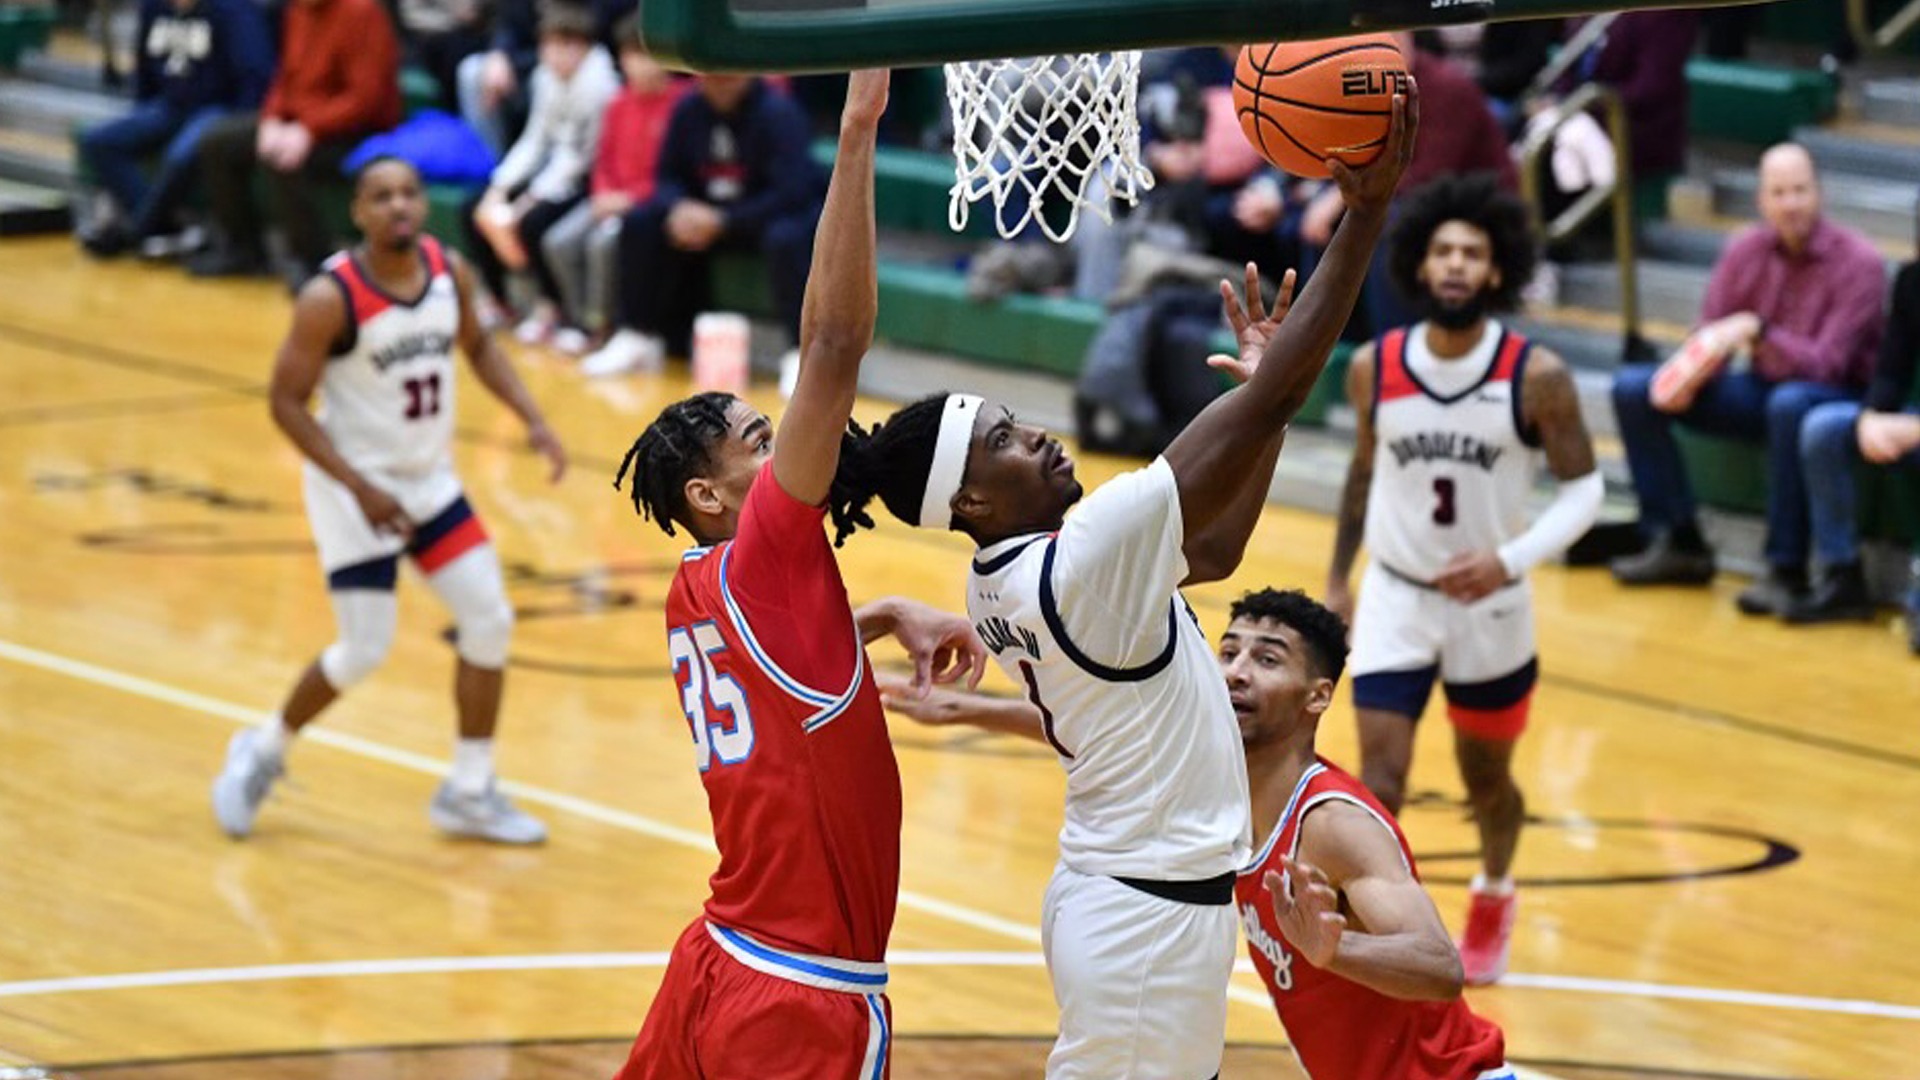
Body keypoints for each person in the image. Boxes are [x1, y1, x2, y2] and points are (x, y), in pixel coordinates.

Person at [816, 85, 1417, 1080]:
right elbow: (1281, 398)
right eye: (1005, 442)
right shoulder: (1086, 549)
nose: (1038, 436)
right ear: (969, 502)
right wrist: (1366, 213)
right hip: (1144, 919)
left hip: (1131, 903)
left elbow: (1213, 553)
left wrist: (1258, 412)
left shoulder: (1003, 577)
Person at [606, 72, 989, 1080]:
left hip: (716, 958)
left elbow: (779, 666)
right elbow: (832, 341)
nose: (783, 457)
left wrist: (874, 614)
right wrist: (858, 129)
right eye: (756, 446)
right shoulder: (772, 547)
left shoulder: (699, 585)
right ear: (711, 498)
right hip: (802, 991)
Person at [882, 588, 1515, 1080]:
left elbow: (1439, 965)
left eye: (1266, 660)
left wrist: (1335, 953)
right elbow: (1106, 728)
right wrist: (961, 708)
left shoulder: (1333, 825)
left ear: (1317, 697)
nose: (1236, 670)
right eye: (1229, 651)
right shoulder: (1217, 776)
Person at [210, 157, 568, 844]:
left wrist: (535, 419)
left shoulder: (447, 271)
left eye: (408, 193)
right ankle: (264, 749)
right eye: (382, 197)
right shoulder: (329, 298)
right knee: (363, 649)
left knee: (488, 619)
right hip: (357, 491)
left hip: (429, 484)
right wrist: (361, 487)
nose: (400, 206)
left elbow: (481, 348)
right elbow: (286, 402)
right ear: (358, 212)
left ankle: (468, 791)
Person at [1324, 174, 1602, 985]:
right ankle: (1391, 934)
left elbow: (1585, 489)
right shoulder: (1377, 366)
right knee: (1381, 777)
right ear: (1420, 263)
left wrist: (1510, 560)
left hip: (1491, 606)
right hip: (1397, 596)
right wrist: (1340, 575)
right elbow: (1362, 473)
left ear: (1495, 270)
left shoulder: (1535, 374)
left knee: (1488, 780)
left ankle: (1495, 887)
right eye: (1442, 251)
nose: (1454, 265)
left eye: (1471, 254)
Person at [1610, 144, 1886, 614]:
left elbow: (1829, 363)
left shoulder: (1860, 262)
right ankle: (1679, 538)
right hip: (1763, 388)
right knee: (1636, 389)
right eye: (1778, 192)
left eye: (1800, 190)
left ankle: (1786, 569)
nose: (1790, 203)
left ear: (1819, 194)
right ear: (1762, 200)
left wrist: (1760, 334)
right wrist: (1689, 377)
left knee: (1791, 403)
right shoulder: (1744, 249)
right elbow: (1710, 332)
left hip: (1834, 394)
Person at [582, 73, 820, 377]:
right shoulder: (688, 108)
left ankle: (799, 355)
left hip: (760, 217)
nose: (721, 84)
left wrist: (725, 220)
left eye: (728, 78)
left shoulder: (780, 112)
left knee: (787, 237)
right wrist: (680, 207)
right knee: (640, 222)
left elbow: (792, 193)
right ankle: (636, 334)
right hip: (704, 216)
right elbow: (666, 177)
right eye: (713, 78)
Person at [189, 0, 403, 284]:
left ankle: (315, 261)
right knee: (217, 142)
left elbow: (366, 99)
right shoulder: (297, 10)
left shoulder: (362, 12)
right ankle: (244, 250)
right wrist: (271, 119)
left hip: (358, 130)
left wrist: (309, 130)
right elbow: (286, 76)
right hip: (300, 119)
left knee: (285, 157)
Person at [464, 1, 621, 349]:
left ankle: (552, 308)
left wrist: (527, 201)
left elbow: (580, 159)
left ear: (583, 46)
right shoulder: (544, 76)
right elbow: (534, 139)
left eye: (564, 45)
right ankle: (498, 301)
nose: (554, 55)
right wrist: (500, 187)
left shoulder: (602, 85)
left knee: (534, 223)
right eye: (547, 44)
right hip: (551, 169)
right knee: (473, 208)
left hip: (585, 181)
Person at [1786, 248, 1920, 640]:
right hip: (1910, 420)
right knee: (1823, 428)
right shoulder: (1912, 280)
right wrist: (1871, 416)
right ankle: (1842, 577)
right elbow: (1891, 368)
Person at [77, 0, 275, 258]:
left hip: (219, 107)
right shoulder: (153, 7)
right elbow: (144, 69)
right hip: (168, 105)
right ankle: (164, 227)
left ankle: (135, 232)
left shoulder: (233, 9)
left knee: (180, 154)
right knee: (99, 141)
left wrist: (239, 120)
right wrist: (141, 113)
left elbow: (255, 76)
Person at [537, 17, 685, 349]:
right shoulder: (618, 103)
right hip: (607, 197)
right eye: (631, 54)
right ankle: (578, 321)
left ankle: (603, 326)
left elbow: (672, 172)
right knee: (557, 241)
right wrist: (603, 194)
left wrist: (630, 199)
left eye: (647, 54)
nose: (639, 64)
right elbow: (602, 160)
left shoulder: (681, 103)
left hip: (644, 203)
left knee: (601, 245)